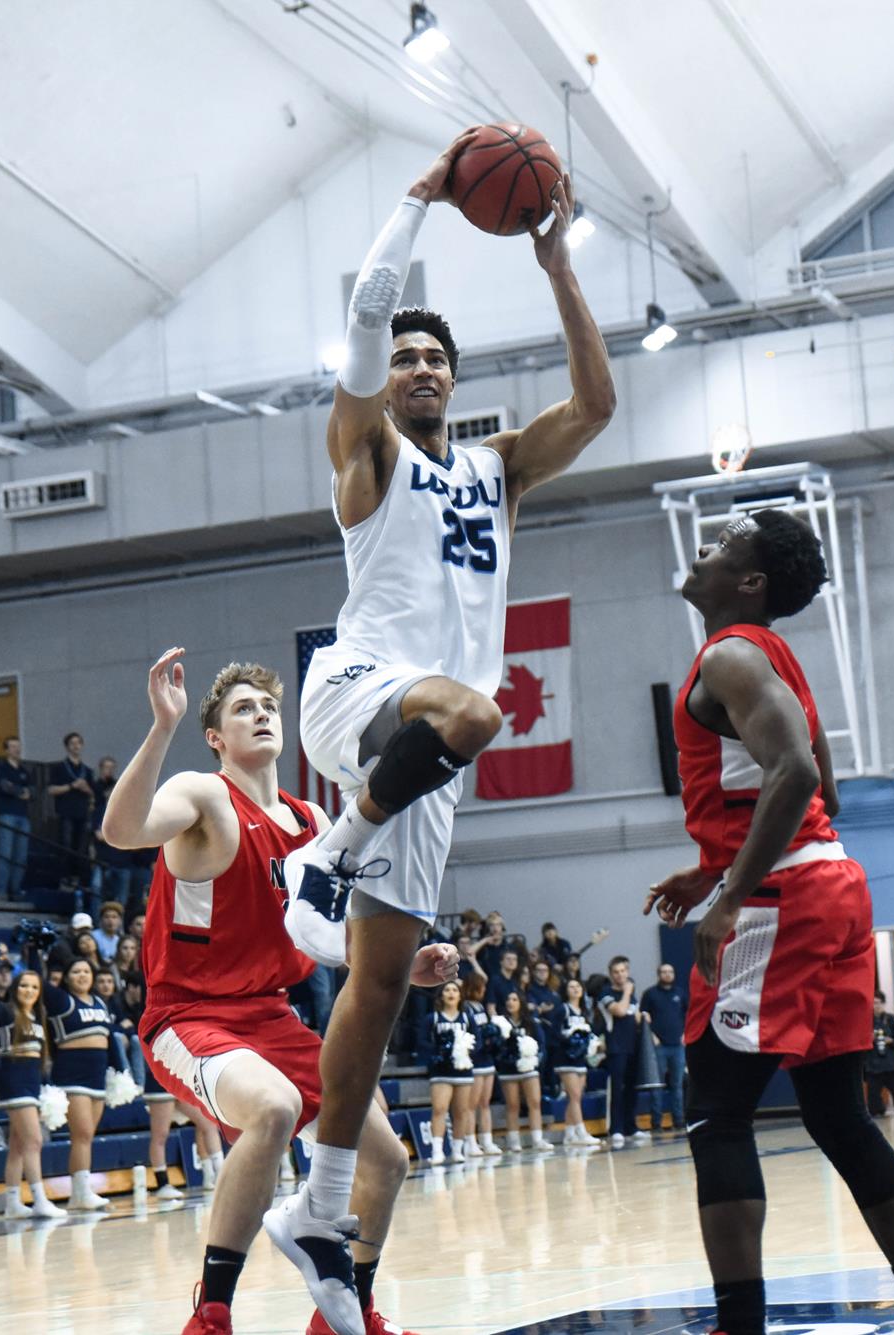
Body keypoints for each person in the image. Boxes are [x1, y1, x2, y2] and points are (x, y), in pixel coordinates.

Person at [270, 130, 614, 1311]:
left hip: (424, 767)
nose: (416, 366)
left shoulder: (497, 470)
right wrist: (420, 203)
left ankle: (317, 1207)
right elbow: (367, 317)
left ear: (456, 384)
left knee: (372, 990)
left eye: (434, 360)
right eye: (404, 356)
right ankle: (326, 848)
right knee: (478, 707)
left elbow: (598, 403)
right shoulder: (365, 456)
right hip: (359, 695)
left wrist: (556, 264)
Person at [643, 509, 894, 1335]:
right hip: (828, 883)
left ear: (748, 584)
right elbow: (825, 793)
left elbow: (793, 772)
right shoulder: (777, 660)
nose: (702, 552)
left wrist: (730, 895)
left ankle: (739, 1324)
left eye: (720, 548)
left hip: (784, 898)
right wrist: (715, 864)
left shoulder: (732, 653)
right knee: (837, 1114)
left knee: (716, 1109)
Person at [101, 651, 456, 1335]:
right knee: (273, 1107)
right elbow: (120, 831)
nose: (261, 714)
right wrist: (161, 726)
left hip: (273, 1017)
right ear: (216, 737)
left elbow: (339, 931)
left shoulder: (312, 824)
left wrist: (406, 963)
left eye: (268, 707)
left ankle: (346, 1315)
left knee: (386, 1159)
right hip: (189, 1015)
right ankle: (210, 1316)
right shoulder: (203, 796)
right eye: (243, 709)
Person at [0, 970, 66, 1219]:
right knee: (34, 1141)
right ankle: (39, 1200)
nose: (29, 991)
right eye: (24, 986)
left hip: (31, 1083)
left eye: (35, 987)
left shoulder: (37, 1017)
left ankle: (12, 1203)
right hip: (13, 1082)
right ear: (15, 988)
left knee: (17, 1146)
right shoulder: (6, 1013)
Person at [45, 957, 113, 1210]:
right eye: (76, 971)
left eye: (86, 971)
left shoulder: (99, 1002)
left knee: (87, 1136)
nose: (82, 976)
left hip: (97, 1076)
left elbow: (110, 1039)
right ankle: (81, 1192)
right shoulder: (62, 1000)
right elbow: (42, 985)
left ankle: (79, 1194)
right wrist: (37, 952)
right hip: (72, 1075)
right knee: (82, 1134)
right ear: (66, 976)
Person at [422, 981, 475, 1166]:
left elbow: (478, 1042)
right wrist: (438, 1054)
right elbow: (423, 1042)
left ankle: (457, 1150)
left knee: (461, 1111)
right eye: (447, 990)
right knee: (439, 1109)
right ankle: (437, 1151)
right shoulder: (433, 1018)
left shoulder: (467, 1018)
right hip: (441, 1072)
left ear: (460, 996)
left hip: (463, 1071)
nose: (451, 993)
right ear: (441, 995)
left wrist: (465, 1052)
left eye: (455, 990)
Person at [492, 989, 551, 1152]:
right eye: (508, 1000)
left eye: (514, 999)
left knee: (534, 1103)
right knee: (512, 1105)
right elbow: (496, 1047)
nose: (510, 1002)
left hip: (529, 1069)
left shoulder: (531, 1023)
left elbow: (541, 1045)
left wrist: (535, 1061)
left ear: (521, 1003)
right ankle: (513, 1140)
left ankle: (537, 1139)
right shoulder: (500, 1023)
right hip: (508, 1070)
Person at [597, 956, 642, 1146]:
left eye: (623, 971)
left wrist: (644, 1017)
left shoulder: (632, 995)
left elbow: (636, 1017)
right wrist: (627, 991)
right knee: (617, 1088)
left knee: (632, 1087)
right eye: (616, 972)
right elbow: (620, 1011)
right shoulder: (605, 993)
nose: (620, 975)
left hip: (633, 1046)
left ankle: (631, 1126)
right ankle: (616, 1128)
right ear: (611, 974)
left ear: (628, 972)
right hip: (616, 1046)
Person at [49, 732, 97, 909]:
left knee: (81, 848)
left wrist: (86, 789)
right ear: (67, 746)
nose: (76, 746)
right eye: (72, 743)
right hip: (66, 812)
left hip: (82, 813)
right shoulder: (60, 768)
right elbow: (51, 790)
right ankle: (65, 877)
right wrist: (71, 786)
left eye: (79, 743)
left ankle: (77, 878)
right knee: (66, 845)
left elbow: (94, 794)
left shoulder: (88, 771)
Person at [549, 977, 599, 1148]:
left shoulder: (583, 1011)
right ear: (566, 990)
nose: (575, 989)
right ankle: (581, 1132)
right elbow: (553, 1033)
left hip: (580, 1059)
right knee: (575, 1096)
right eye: (571, 986)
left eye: (578, 986)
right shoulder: (562, 1009)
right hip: (565, 1058)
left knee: (575, 1097)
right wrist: (569, 1039)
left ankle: (569, 1135)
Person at [640, 961, 688, 1134]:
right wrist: (652, 1036)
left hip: (678, 1046)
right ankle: (656, 1122)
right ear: (659, 974)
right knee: (657, 1085)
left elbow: (687, 1014)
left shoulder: (680, 994)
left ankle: (679, 1120)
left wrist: (685, 1034)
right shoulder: (650, 994)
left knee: (677, 1084)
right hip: (658, 1046)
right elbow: (643, 1016)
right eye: (664, 972)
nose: (667, 974)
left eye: (670, 971)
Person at [458, 982, 501, 1156]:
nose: (483, 990)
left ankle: (487, 1140)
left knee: (485, 1103)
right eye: (480, 987)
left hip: (487, 1059)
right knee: (471, 1104)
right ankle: (470, 1141)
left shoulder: (481, 1007)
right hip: (475, 1059)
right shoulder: (466, 1008)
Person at [0, 738, 33, 900]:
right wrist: (21, 791)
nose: (17, 749)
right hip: (7, 814)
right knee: (5, 854)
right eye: (13, 747)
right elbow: (5, 787)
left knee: (21, 857)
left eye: (18, 746)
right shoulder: (1, 768)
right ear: (6, 750)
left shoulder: (25, 770)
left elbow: (33, 791)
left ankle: (15, 890)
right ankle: (1, 892)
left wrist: (19, 790)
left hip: (23, 816)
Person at [865, 991, 894, 1118]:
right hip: (873, 1065)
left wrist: (891, 1041)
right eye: (872, 1003)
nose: (875, 1006)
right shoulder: (866, 1022)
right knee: (873, 1099)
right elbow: (859, 1042)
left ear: (883, 1004)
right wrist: (869, 1038)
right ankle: (878, 1110)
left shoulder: (892, 1020)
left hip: (891, 1065)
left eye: (877, 1003)